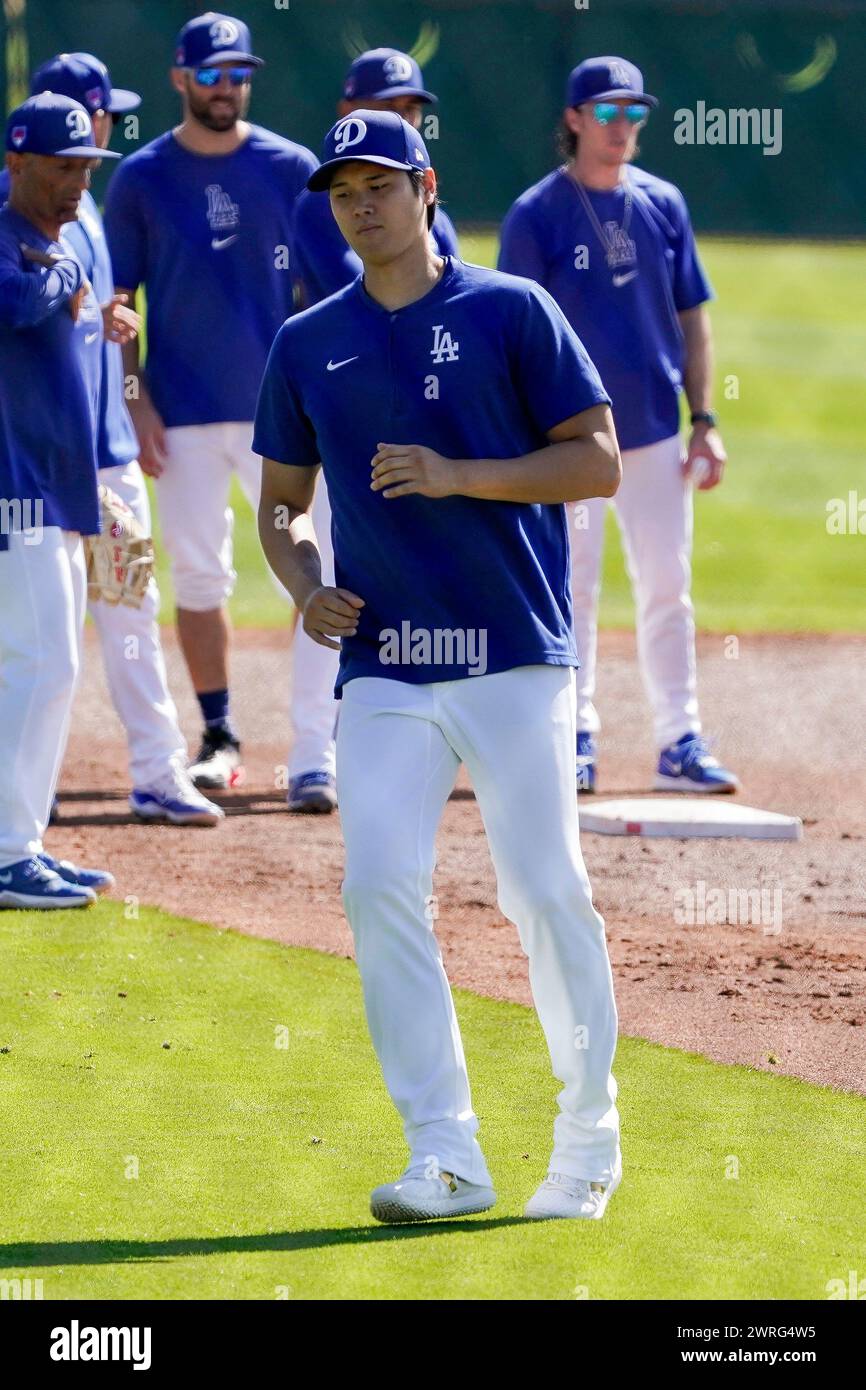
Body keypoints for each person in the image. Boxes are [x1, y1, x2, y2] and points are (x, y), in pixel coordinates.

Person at [254, 112, 623, 1223]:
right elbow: (278, 504)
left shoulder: (511, 307)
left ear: (425, 188)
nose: (358, 207)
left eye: (377, 185)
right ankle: (446, 1153)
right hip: (381, 666)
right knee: (374, 886)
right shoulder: (307, 340)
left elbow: (595, 461)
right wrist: (301, 577)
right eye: (340, 193)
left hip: (511, 649)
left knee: (545, 890)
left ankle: (586, 1142)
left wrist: (457, 474)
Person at [499, 56, 739, 795]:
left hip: (657, 434)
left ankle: (679, 740)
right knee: (573, 590)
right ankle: (573, 734)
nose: (623, 128)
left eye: (633, 114)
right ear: (573, 120)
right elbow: (513, 334)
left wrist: (704, 419)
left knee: (669, 585)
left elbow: (693, 321)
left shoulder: (663, 203)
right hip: (568, 442)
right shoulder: (536, 214)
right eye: (607, 113)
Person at [8, 52, 223, 828]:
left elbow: (90, 319)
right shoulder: (24, 208)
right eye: (100, 116)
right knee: (44, 637)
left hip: (106, 461)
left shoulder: (82, 209)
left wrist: (130, 395)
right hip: (50, 469)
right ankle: (33, 794)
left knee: (127, 608)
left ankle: (155, 770)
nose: (106, 131)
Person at [104, 11, 317, 791]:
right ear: (180, 77)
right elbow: (119, 300)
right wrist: (135, 401)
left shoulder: (293, 167)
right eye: (212, 74)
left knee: (310, 568)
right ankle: (219, 733)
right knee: (198, 578)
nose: (227, 88)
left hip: (283, 413)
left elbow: (328, 288)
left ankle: (316, 747)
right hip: (182, 411)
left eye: (239, 74)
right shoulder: (142, 177)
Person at [282, 46, 460, 814]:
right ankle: (308, 753)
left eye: (410, 107)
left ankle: (452, 734)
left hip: (430, 433)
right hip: (346, 420)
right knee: (326, 580)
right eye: (383, 106)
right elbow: (362, 298)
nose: (401, 116)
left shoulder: (431, 213)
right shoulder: (333, 205)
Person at [0, 94, 117, 908]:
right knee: (40, 664)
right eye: (62, 164)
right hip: (15, 488)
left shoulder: (55, 240)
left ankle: (24, 840)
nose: (77, 180)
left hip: (56, 483)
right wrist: (69, 273)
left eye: (84, 166)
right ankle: (10, 853)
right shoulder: (14, 241)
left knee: (50, 665)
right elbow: (15, 304)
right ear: (17, 162)